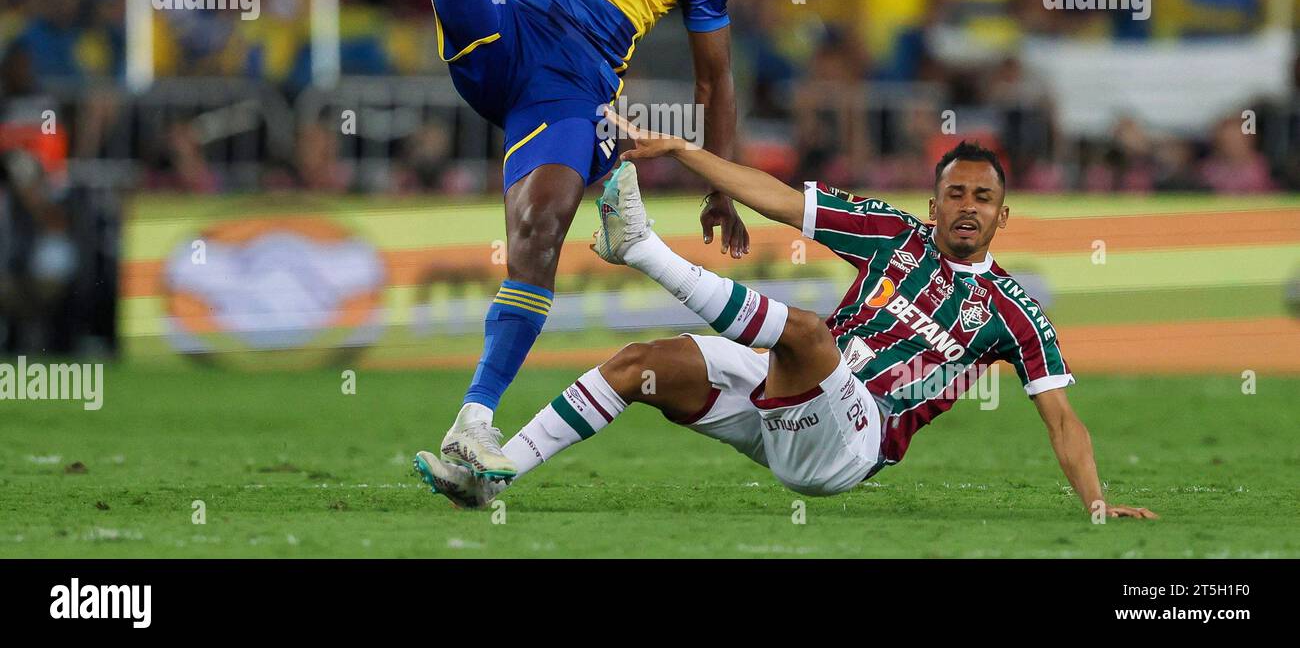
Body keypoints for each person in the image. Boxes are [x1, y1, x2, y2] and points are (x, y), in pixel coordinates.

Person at [416, 118, 1157, 520]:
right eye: (955, 194)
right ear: (933, 205)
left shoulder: (1013, 312)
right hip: (796, 396)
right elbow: (775, 198)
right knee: (640, 366)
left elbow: (1061, 418)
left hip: (853, 445)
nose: (967, 207)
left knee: (806, 331)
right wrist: (681, 150)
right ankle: (493, 474)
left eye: (982, 198)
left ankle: (639, 246)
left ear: (1002, 214)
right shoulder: (891, 234)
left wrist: (1097, 505)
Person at [336, 0, 749, 479]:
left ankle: (473, 424)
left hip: (568, 93)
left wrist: (723, 184)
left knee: (543, 225)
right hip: (505, 33)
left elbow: (715, 80)